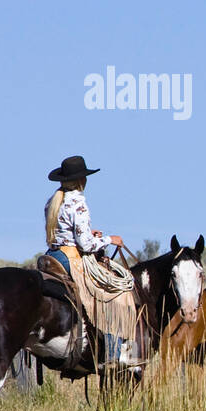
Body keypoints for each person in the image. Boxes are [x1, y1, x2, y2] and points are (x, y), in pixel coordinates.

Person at [43, 155, 144, 368]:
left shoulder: (53, 201)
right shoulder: (78, 202)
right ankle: (115, 353)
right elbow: (85, 245)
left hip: (52, 255)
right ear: (81, 180)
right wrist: (108, 239)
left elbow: (65, 233)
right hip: (72, 258)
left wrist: (91, 234)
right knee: (112, 292)